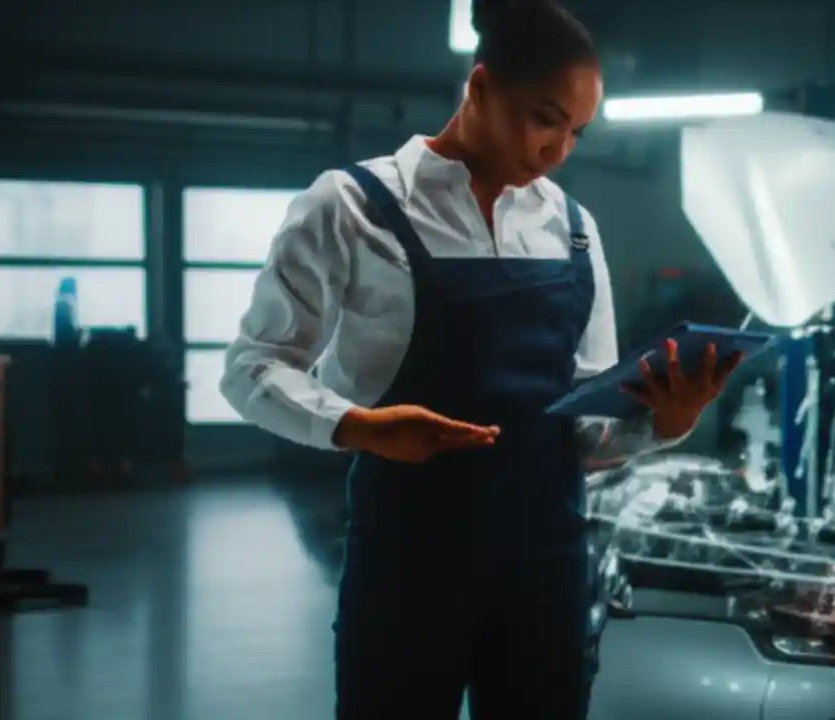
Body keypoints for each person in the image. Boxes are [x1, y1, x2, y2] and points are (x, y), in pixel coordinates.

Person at [219, 0, 741, 717]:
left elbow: (585, 431)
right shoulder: (350, 206)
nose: (559, 151)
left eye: (576, 131)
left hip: (547, 569)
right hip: (407, 564)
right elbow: (250, 367)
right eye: (544, 119)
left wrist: (664, 423)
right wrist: (360, 427)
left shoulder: (574, 229)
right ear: (480, 87)